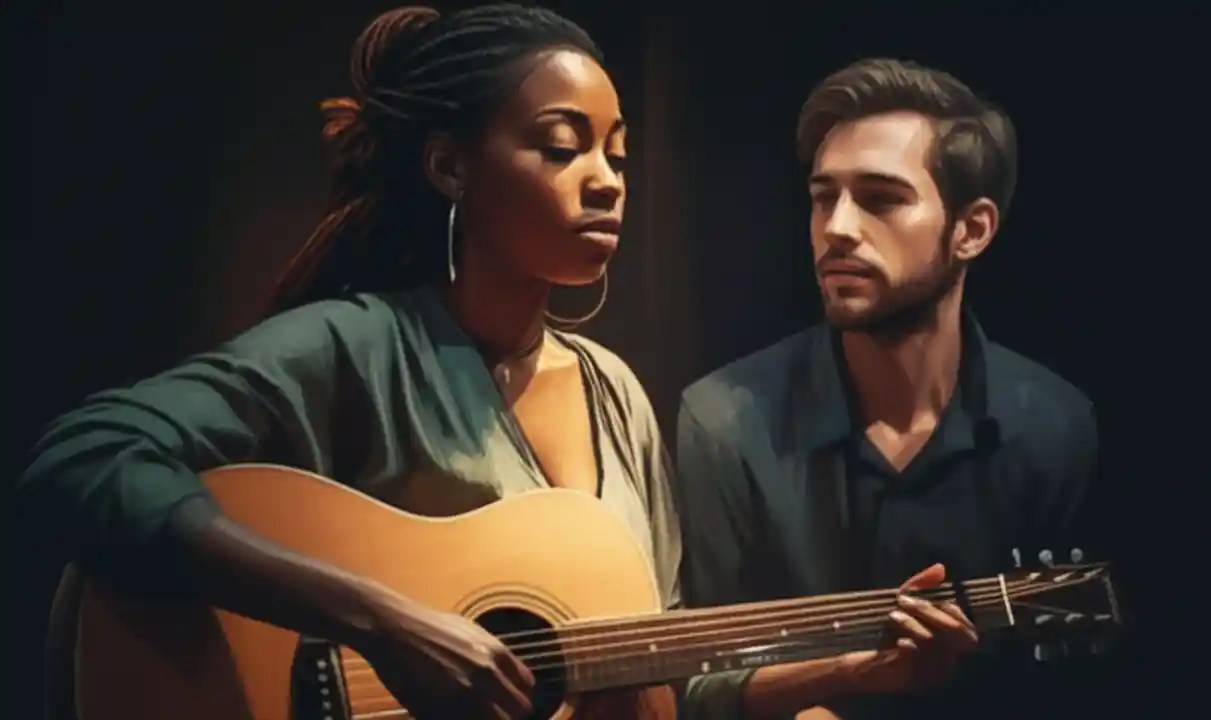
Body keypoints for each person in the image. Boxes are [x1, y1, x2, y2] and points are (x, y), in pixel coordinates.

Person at [17, 5, 679, 719]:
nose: (607, 180)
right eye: (559, 146)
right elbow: (81, 458)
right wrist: (378, 622)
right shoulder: (357, 347)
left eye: (616, 152)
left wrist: (814, 670)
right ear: (450, 166)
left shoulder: (615, 395)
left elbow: (667, 660)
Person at [673, 58, 1101, 719]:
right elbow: (695, 685)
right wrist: (846, 675)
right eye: (823, 197)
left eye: (881, 198)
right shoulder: (724, 420)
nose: (838, 227)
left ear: (972, 229)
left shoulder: (1055, 424)